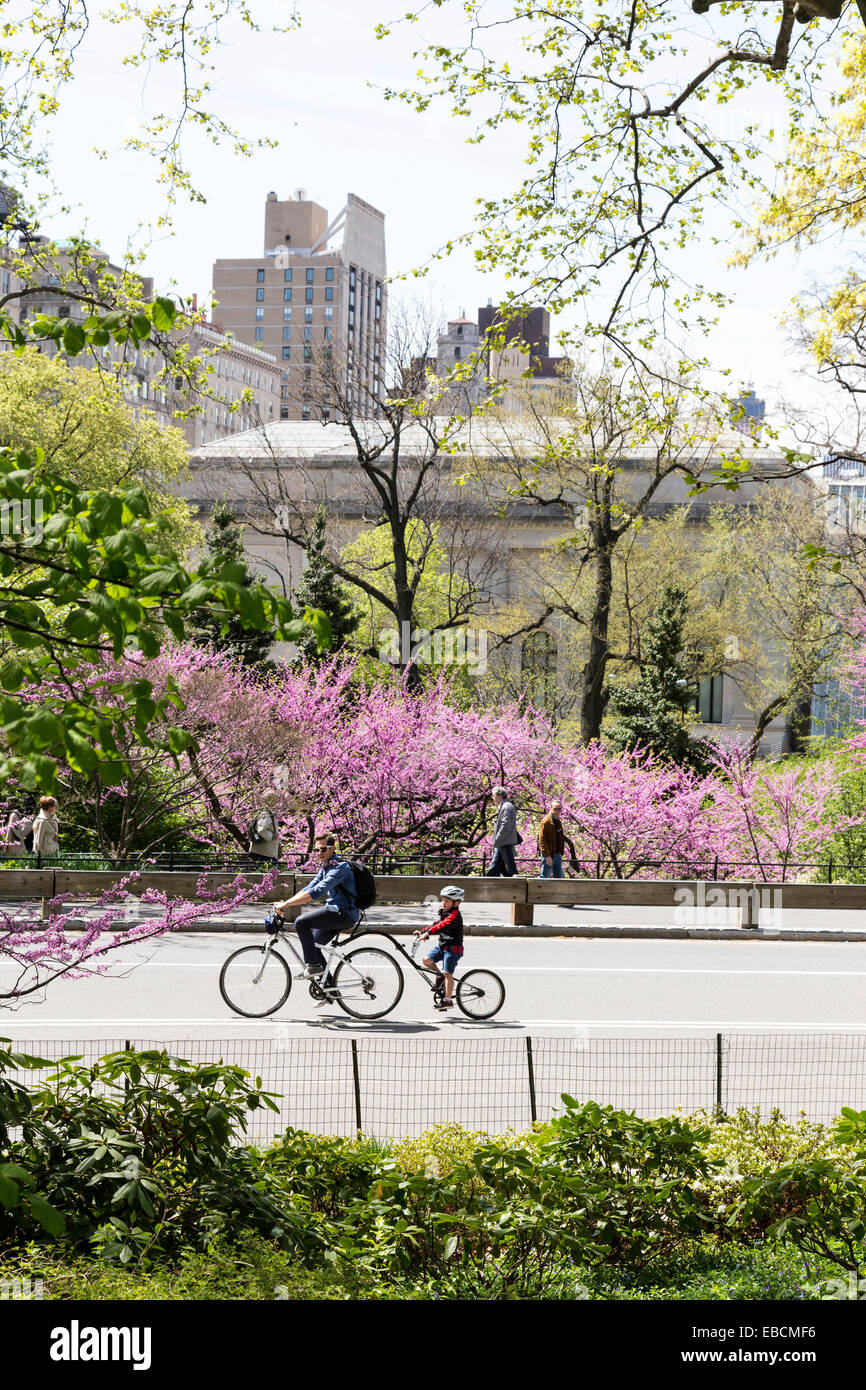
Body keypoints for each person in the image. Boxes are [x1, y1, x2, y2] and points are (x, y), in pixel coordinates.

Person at [274, 832, 360, 1008]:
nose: (319, 853)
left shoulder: (340, 868)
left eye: (322, 849)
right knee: (313, 945)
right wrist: (286, 903)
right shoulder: (326, 867)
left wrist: (287, 904)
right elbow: (309, 887)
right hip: (334, 910)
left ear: (332, 848)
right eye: (316, 850)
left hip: (343, 913)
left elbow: (317, 892)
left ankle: (313, 966)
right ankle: (330, 988)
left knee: (300, 923)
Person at [414, 884, 465, 1011]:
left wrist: (429, 933)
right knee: (427, 960)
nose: (443, 903)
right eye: (443, 900)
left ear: (456, 903)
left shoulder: (454, 916)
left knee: (448, 972)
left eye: (447, 901)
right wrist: (424, 931)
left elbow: (443, 925)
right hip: (443, 946)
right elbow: (436, 924)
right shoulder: (445, 912)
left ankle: (448, 1000)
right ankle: (439, 976)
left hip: (453, 949)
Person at [486, 786, 520, 877]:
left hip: (504, 842)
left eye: (493, 796)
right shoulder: (506, 806)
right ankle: (491, 885)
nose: (493, 798)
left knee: (509, 868)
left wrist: (497, 839)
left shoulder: (506, 807)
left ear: (498, 796)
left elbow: (505, 826)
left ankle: (517, 886)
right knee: (497, 867)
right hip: (503, 842)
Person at [248, 790, 281, 862]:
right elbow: (261, 830)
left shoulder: (266, 811)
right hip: (264, 851)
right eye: (275, 799)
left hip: (265, 850)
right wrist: (272, 836)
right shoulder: (265, 813)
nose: (276, 802)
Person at [538, 800, 566, 878]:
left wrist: (560, 852)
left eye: (559, 809)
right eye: (555, 809)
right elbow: (542, 840)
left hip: (557, 855)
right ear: (550, 808)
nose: (557, 811)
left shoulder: (558, 821)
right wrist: (547, 856)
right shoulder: (546, 821)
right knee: (544, 877)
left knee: (559, 879)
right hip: (549, 855)